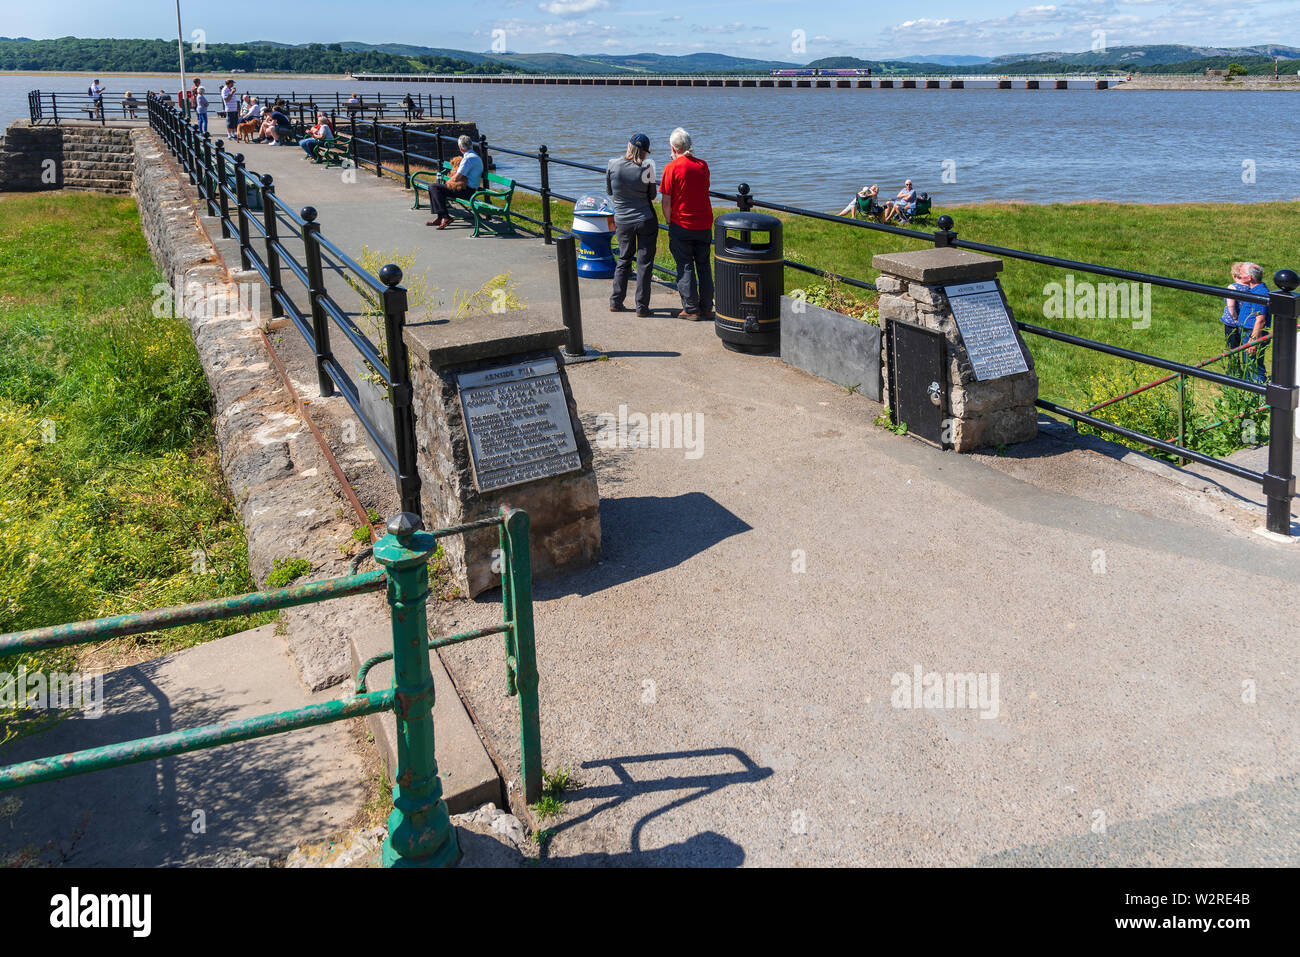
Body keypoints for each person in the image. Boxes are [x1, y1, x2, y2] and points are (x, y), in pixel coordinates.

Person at [659, 127, 713, 320]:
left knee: (685, 265)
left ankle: (691, 309)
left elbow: (666, 201)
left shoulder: (670, 168)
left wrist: (668, 220)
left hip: (682, 223)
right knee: (704, 265)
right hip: (704, 223)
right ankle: (707, 307)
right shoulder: (703, 166)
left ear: (674, 148)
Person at [607, 133, 658, 316]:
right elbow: (652, 195)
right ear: (645, 152)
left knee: (623, 259)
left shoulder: (612, 164)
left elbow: (610, 191)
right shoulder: (647, 168)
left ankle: (615, 301)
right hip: (645, 219)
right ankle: (642, 307)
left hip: (622, 220)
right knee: (644, 264)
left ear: (628, 146)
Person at [426, 135, 483, 230]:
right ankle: (441, 217)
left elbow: (456, 178)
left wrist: (447, 182)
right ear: (471, 145)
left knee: (434, 187)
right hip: (469, 189)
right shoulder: (474, 156)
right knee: (435, 188)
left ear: (460, 148)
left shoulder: (468, 158)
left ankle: (445, 217)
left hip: (466, 190)